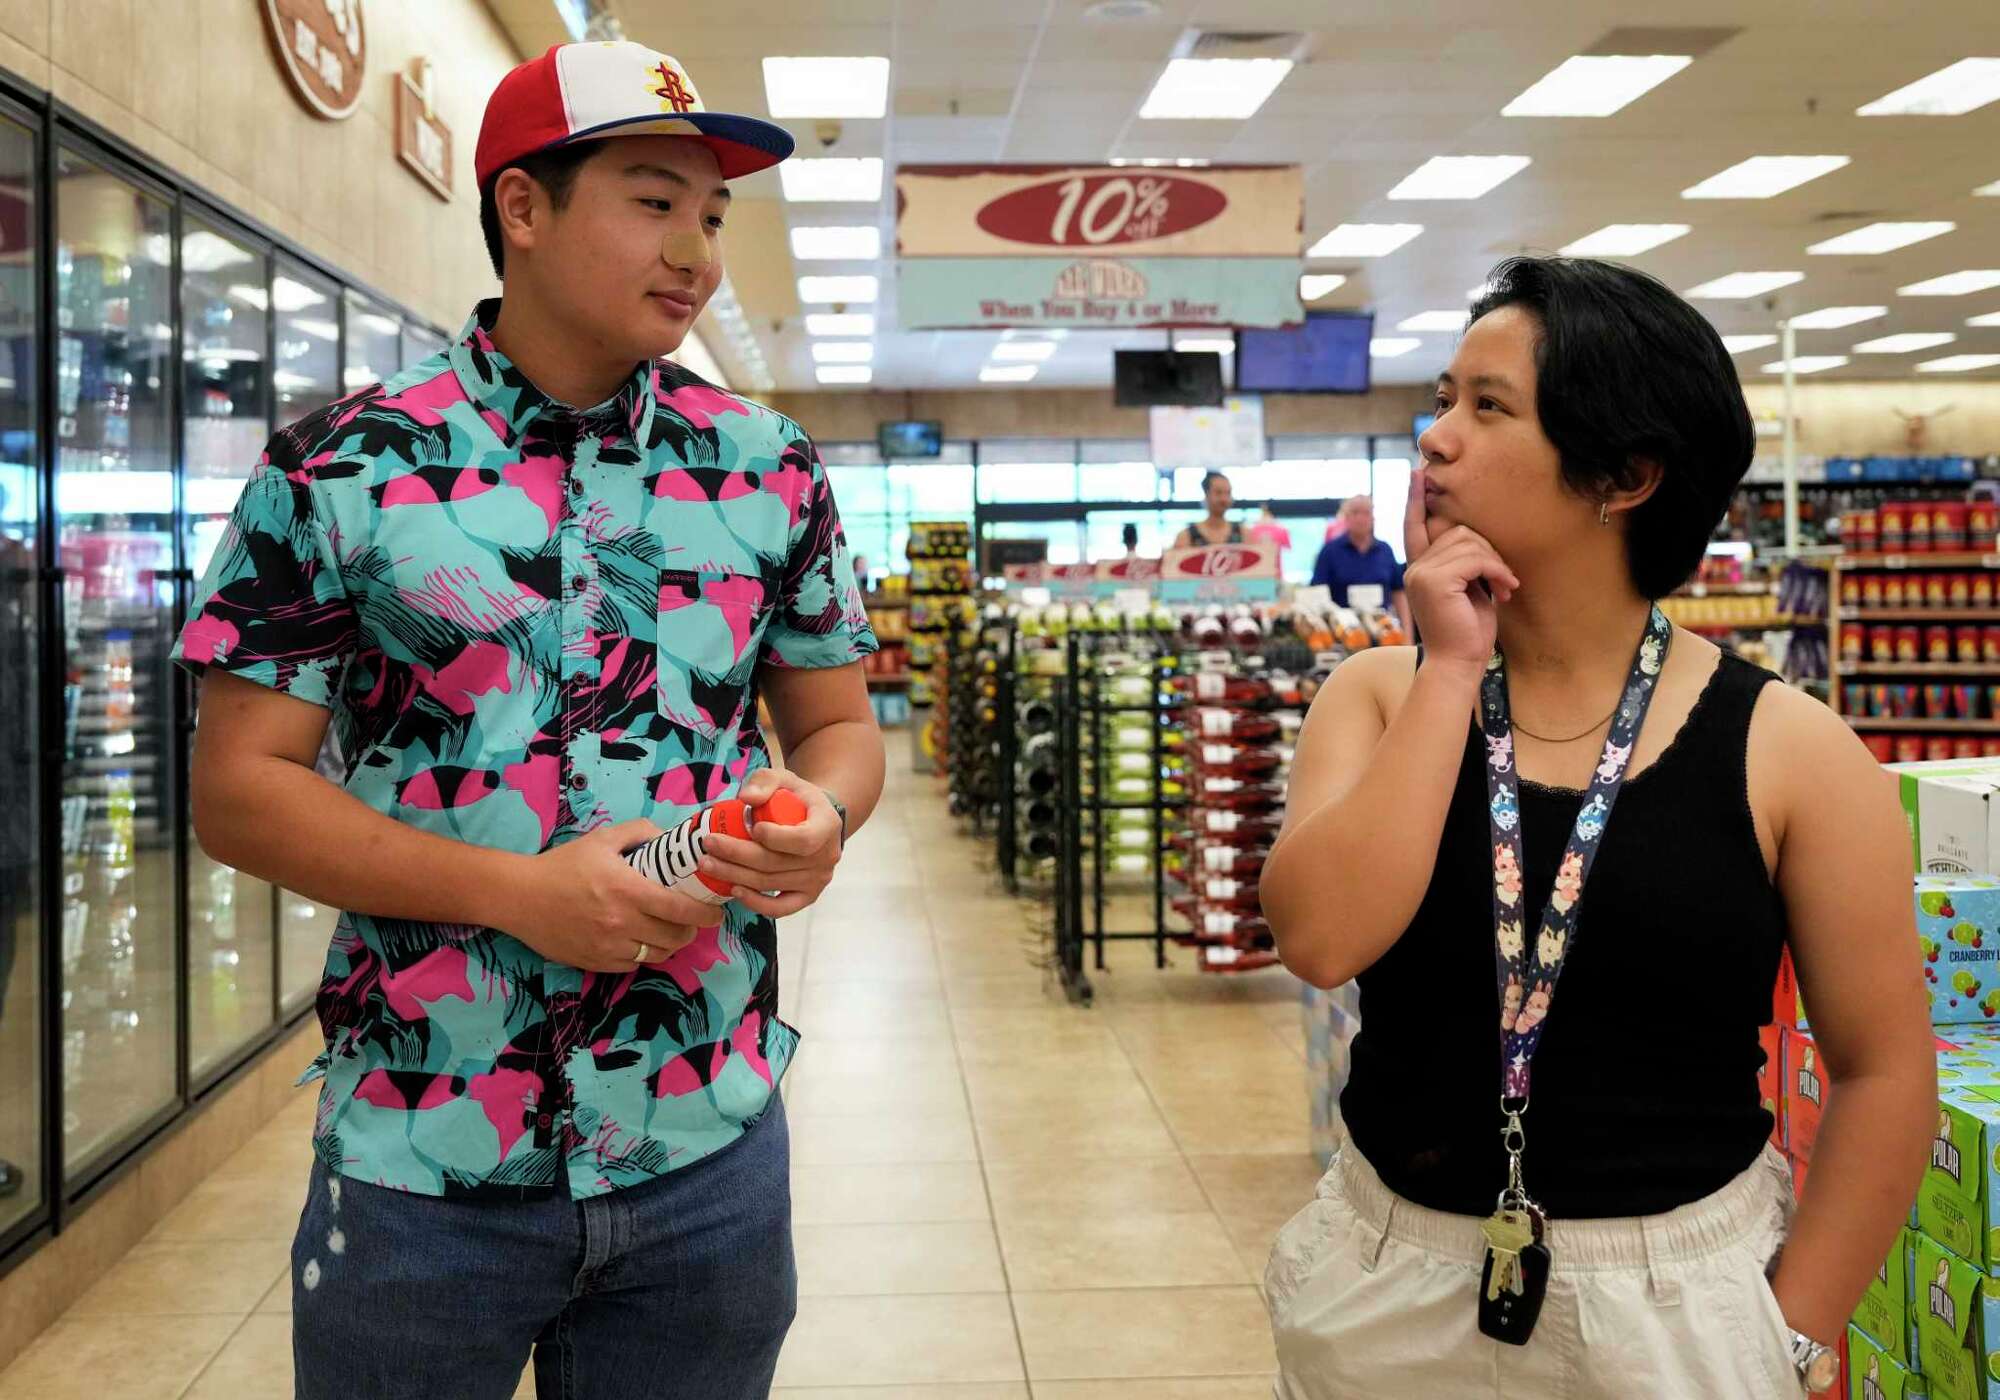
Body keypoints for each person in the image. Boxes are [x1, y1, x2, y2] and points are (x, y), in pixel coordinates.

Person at [173, 41, 884, 1400]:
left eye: (715, 216)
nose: (697, 250)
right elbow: (241, 790)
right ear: (522, 208)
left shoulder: (768, 468)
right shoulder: (344, 465)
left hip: (705, 1146)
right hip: (423, 1152)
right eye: (653, 198)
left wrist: (824, 817)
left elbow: (839, 728)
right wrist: (515, 895)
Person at [1261, 257, 1934, 1398]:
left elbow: (1882, 1070)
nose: (1434, 439)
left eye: (1487, 406)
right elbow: (1319, 939)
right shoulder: (1375, 698)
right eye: (1440, 398)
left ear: (1622, 473)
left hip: (1676, 1296)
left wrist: (1793, 1333)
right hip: (1389, 1277)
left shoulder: (1793, 751)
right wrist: (1447, 672)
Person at [1309, 494, 1413, 638]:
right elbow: (1318, 594)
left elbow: (1399, 593)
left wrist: (1408, 634)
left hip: (1385, 634)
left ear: (1373, 517)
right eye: (1355, 512)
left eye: (1366, 513)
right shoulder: (1329, 551)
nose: (1360, 518)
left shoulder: (1385, 550)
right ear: (1346, 517)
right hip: (1343, 634)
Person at [1173, 470, 1244, 547]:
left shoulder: (1244, 534)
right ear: (1206, 495)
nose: (1224, 499)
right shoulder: (1185, 537)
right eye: (1218, 492)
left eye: (1228, 493)